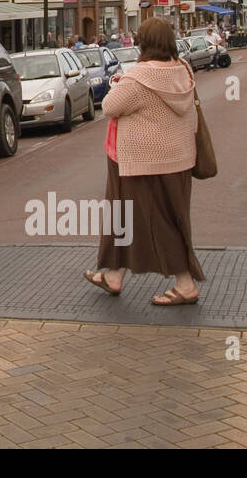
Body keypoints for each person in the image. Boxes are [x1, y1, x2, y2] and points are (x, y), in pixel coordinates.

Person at [83, 17, 205, 305]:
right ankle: (114, 275)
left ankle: (186, 285)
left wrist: (118, 84)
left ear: (144, 43)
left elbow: (110, 107)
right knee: (130, 218)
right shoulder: (183, 70)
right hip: (179, 159)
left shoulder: (139, 76)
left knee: (156, 222)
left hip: (142, 163)